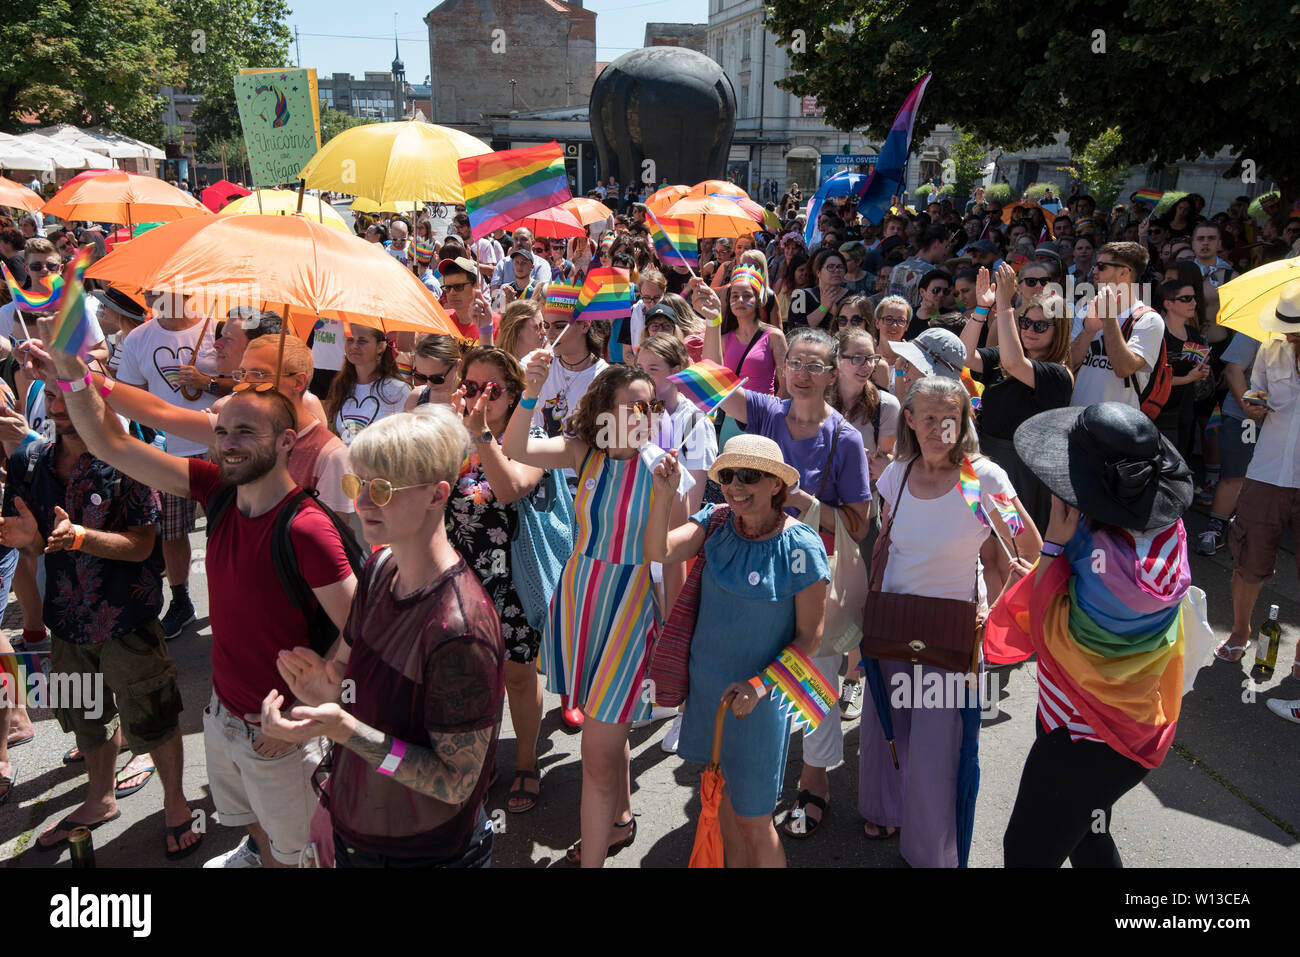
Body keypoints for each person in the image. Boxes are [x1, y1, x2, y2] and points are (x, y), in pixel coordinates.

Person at [30, 330, 358, 868]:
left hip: (279, 730)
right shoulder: (217, 490)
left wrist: (308, 712)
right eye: (223, 429)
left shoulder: (306, 528)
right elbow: (113, 444)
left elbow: (361, 623)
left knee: (303, 851)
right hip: (222, 711)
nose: (227, 441)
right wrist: (72, 374)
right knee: (247, 821)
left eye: (246, 431)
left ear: (285, 442)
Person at [260, 406, 505, 867]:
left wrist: (345, 729)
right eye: (357, 484)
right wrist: (326, 690)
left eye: (383, 489)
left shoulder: (459, 630)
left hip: (425, 854)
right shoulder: (378, 568)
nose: (363, 503)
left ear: (437, 495)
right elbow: (354, 683)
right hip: (358, 828)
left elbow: (455, 782)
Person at [0, 379, 200, 858]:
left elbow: (143, 545)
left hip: (126, 620)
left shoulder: (126, 460)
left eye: (68, 396)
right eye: (50, 397)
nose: (57, 407)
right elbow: (31, 544)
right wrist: (27, 539)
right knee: (86, 716)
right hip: (65, 623)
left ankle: (175, 801)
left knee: (153, 716)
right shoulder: (31, 462)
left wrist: (80, 538)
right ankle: (100, 796)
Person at [990, 402, 1194, 867]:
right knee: (1087, 833)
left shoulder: (1091, 549)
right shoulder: (1167, 530)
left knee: (1026, 852)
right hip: (1137, 722)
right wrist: (1052, 569)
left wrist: (1052, 551)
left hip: (1080, 735)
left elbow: (1048, 634)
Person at [702, 320, 871, 837]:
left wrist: (808, 504)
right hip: (755, 568)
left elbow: (860, 524)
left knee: (812, 678)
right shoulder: (764, 410)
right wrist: (711, 319)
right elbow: (704, 384)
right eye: (794, 362)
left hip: (809, 576)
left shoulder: (844, 439)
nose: (801, 373)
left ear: (832, 373)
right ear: (781, 367)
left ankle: (815, 781)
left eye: (814, 365)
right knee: (761, 670)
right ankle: (757, 776)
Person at [858, 376, 1037, 864]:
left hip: (951, 634)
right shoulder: (897, 474)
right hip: (893, 622)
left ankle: (928, 850)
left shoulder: (981, 480)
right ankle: (884, 809)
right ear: (909, 421)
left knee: (937, 754)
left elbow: (1027, 548)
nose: (939, 427)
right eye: (928, 417)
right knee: (887, 727)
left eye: (950, 418)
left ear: (964, 422)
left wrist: (994, 609)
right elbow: (886, 544)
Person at [645, 435, 830, 866]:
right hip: (709, 693)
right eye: (728, 475)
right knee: (720, 799)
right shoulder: (715, 520)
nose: (735, 485)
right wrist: (662, 497)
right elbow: (658, 550)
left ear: (775, 485)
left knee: (755, 819)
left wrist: (759, 687)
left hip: (760, 702)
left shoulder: (801, 546)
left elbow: (810, 638)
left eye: (749, 475)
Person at [503, 363, 661, 866]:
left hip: (630, 610)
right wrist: (530, 393)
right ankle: (620, 820)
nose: (641, 415)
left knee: (596, 754)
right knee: (604, 724)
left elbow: (673, 558)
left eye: (650, 406)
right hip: (578, 602)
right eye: (630, 405)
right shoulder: (582, 454)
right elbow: (515, 449)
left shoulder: (661, 466)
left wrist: (680, 636)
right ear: (603, 409)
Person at [443, 346, 547, 814]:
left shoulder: (531, 438)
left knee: (519, 677)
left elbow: (508, 490)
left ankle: (526, 760)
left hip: (512, 580)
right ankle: (480, 763)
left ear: (513, 394)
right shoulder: (449, 437)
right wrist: (450, 436)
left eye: (493, 389)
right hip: (458, 581)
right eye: (471, 386)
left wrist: (480, 433)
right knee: (471, 680)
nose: (481, 396)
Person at [111, 295, 219, 640]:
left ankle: (226, 598)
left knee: (223, 530)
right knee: (173, 533)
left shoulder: (215, 329)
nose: (155, 297)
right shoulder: (138, 338)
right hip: (169, 454)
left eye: (167, 290)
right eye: (151, 292)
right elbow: (132, 394)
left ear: (186, 293)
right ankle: (182, 600)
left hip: (218, 449)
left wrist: (207, 383)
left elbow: (246, 381)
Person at [1215, 283, 1300, 668]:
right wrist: (1253, 403)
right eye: (1285, 325)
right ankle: (1239, 630)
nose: (1289, 333)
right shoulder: (1270, 348)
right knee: (1249, 555)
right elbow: (1256, 393)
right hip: (1267, 472)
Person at [962, 264, 1074, 533]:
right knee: (977, 532)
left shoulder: (1059, 374)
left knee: (1013, 538)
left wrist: (1004, 303)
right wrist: (981, 309)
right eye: (1025, 322)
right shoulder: (1006, 356)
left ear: (1058, 330)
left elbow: (1015, 364)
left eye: (1040, 325)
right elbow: (964, 355)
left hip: (1021, 469)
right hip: (985, 455)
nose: (1029, 330)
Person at [1068, 242, 1165, 410]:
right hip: (1076, 416)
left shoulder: (1148, 319)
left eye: (1101, 266)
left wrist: (1109, 320)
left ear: (1123, 272)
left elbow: (1124, 368)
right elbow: (1069, 363)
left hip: (1119, 423)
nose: (1094, 271)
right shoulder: (1085, 310)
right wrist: (1089, 331)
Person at [531, 284, 608, 445]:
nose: (550, 334)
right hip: (542, 466)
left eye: (560, 326)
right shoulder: (541, 367)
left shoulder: (605, 379)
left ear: (585, 325)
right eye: (546, 325)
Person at [324, 325, 411, 446]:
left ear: (380, 347)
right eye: (350, 340)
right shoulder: (342, 385)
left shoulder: (398, 390)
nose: (354, 346)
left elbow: (407, 441)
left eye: (362, 341)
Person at [1154, 279, 1211, 458]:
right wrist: (1188, 378)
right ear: (1168, 304)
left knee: (1183, 458)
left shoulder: (1193, 334)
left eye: (1194, 298)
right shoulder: (1156, 332)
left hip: (1186, 408)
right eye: (1186, 298)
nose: (1194, 303)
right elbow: (1151, 377)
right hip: (1160, 410)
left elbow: (1195, 371)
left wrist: (1202, 372)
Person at [787, 248, 849, 331]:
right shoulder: (800, 296)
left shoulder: (852, 297)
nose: (837, 270)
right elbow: (794, 329)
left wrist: (835, 315)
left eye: (840, 267)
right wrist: (823, 308)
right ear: (818, 272)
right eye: (830, 267)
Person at [402, 334, 463, 410]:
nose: (429, 384)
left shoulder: (472, 400)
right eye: (422, 377)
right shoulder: (417, 397)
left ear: (457, 365)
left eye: (437, 379)